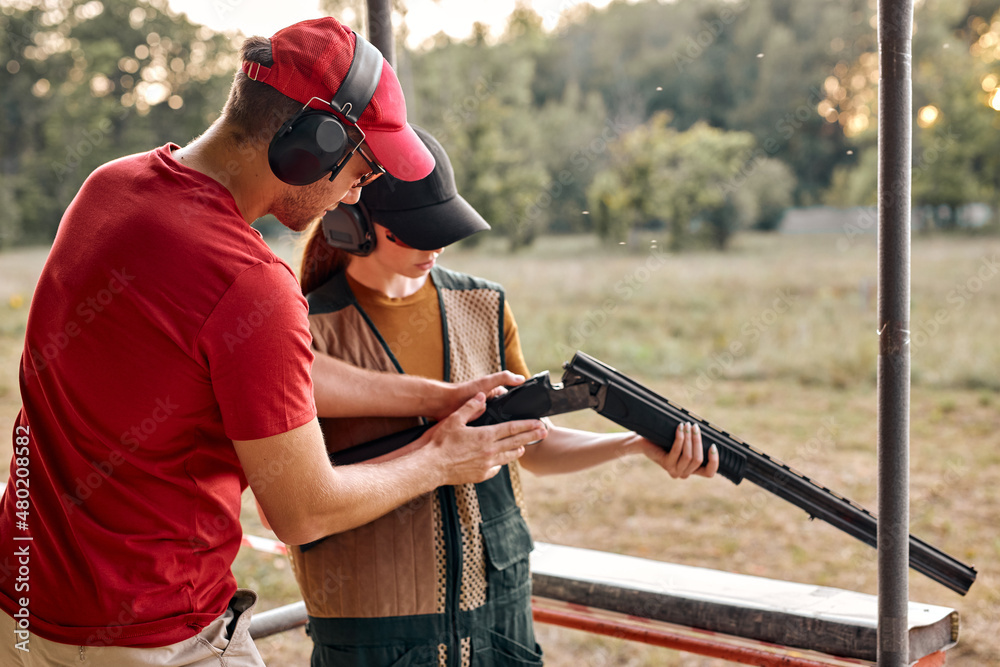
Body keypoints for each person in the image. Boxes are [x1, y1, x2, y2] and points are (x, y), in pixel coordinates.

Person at [0, 18, 545, 666]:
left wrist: (435, 395)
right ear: (310, 145)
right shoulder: (249, 283)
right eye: (365, 169)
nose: (360, 192)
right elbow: (304, 510)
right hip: (156, 638)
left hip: (24, 611)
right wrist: (441, 458)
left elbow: (270, 375)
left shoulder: (109, 189)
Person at [287, 126, 719, 666]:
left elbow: (532, 446)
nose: (436, 246)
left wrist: (631, 445)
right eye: (415, 234)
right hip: (374, 615)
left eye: (441, 228)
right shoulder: (303, 327)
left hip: (500, 608)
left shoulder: (484, 304)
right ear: (351, 225)